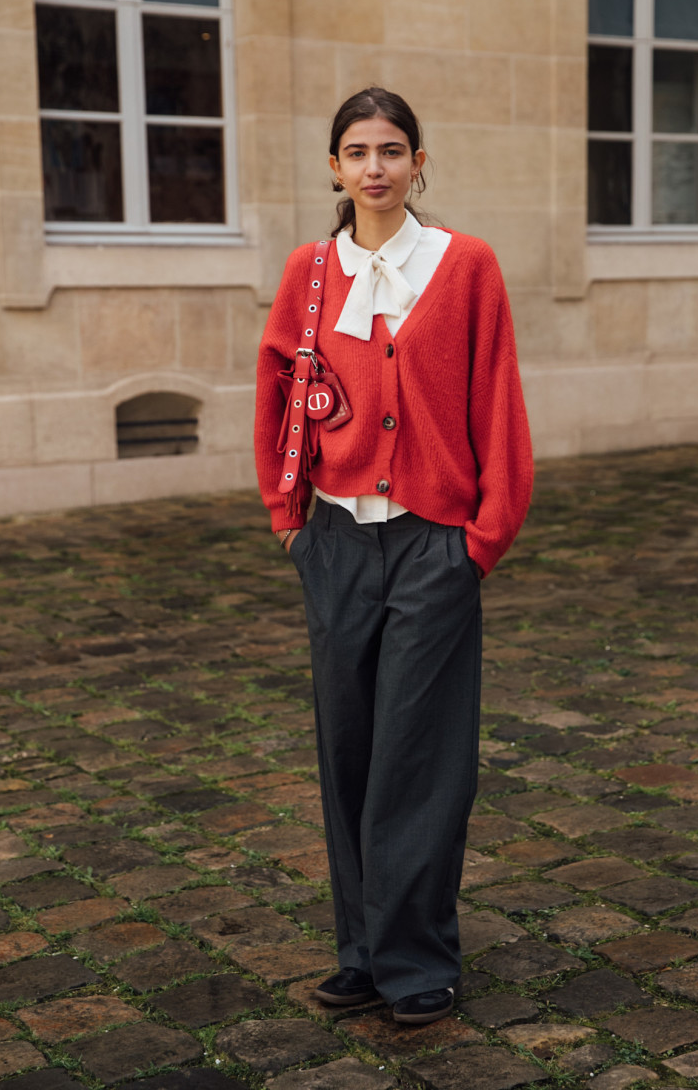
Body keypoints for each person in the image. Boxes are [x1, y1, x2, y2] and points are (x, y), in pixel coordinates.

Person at [254, 87, 533, 1025]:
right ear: (334, 168)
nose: (374, 167)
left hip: (433, 547)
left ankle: (417, 962)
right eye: (357, 152)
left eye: (392, 150)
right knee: (348, 754)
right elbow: (277, 392)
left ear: (419, 162)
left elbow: (497, 399)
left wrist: (480, 542)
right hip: (334, 543)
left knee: (419, 757)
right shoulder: (309, 272)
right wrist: (290, 520)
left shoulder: (466, 266)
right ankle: (364, 953)